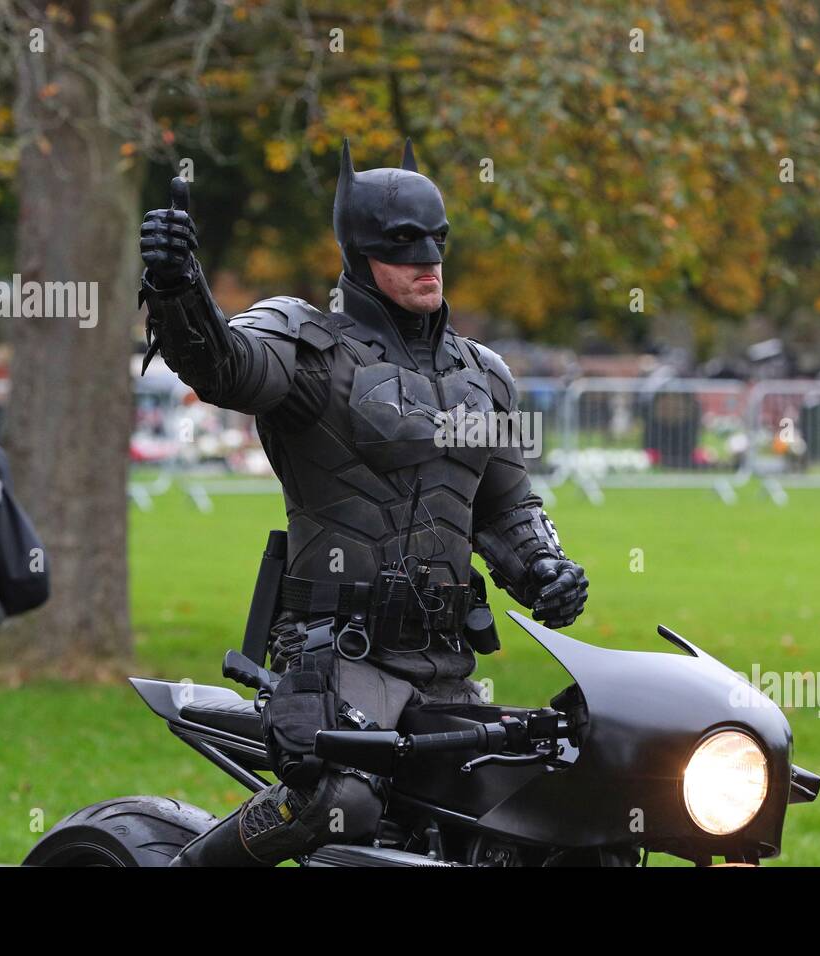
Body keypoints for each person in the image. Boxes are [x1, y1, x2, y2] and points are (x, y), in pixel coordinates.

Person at [138, 140, 589, 865]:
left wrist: (545, 569)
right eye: (403, 246)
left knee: (527, 813)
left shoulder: (485, 374)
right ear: (358, 253)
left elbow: (505, 507)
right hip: (338, 654)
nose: (426, 262)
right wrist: (174, 285)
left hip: (446, 661)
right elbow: (221, 364)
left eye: (437, 243)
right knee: (339, 802)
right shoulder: (307, 345)